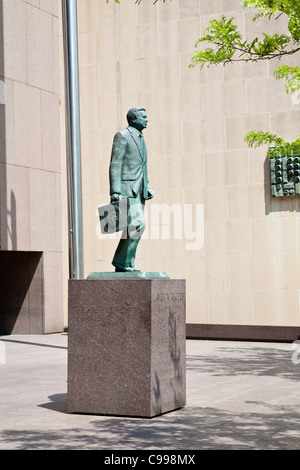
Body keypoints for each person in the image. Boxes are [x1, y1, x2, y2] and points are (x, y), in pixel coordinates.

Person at [109, 107, 154, 272]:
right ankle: (121, 261)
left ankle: (126, 262)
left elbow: (142, 165)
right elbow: (115, 163)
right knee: (137, 223)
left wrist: (146, 185)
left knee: (137, 226)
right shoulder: (122, 136)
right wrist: (115, 191)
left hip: (139, 190)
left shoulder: (141, 138)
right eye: (144, 117)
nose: (147, 119)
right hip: (126, 188)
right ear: (133, 119)